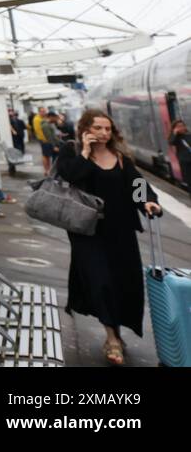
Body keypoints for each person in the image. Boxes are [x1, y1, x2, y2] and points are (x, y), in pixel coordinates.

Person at [56, 110, 162, 366]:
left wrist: (148, 202)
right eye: (99, 128)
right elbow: (70, 176)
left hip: (121, 231)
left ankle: (115, 331)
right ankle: (112, 338)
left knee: (123, 282)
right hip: (87, 232)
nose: (104, 133)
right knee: (100, 281)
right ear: (86, 129)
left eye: (108, 129)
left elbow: (137, 185)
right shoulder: (70, 152)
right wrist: (84, 151)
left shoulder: (121, 158)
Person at [169, 119, 191, 189]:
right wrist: (174, 133)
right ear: (175, 128)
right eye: (178, 126)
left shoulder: (189, 135)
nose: (181, 128)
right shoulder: (176, 138)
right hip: (185, 162)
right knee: (189, 182)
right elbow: (171, 142)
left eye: (182, 126)